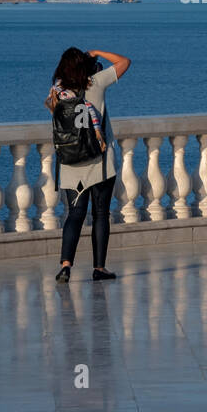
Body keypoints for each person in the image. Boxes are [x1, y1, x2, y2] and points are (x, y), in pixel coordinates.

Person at [46, 47, 131, 281]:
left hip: (70, 163)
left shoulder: (57, 92)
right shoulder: (96, 82)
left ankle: (65, 265)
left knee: (75, 215)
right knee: (101, 213)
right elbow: (125, 61)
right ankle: (99, 268)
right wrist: (97, 53)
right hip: (99, 160)